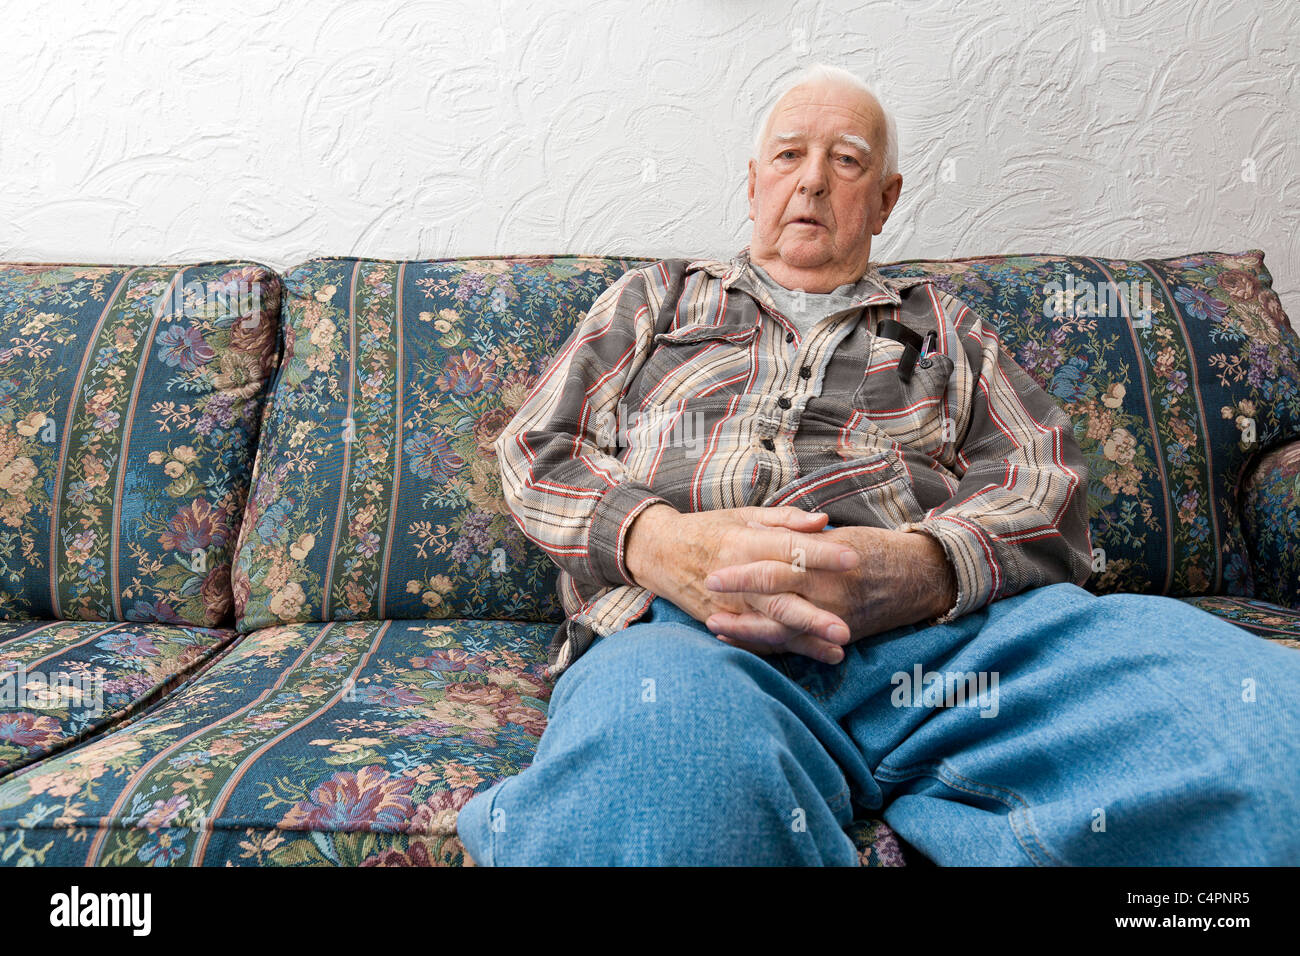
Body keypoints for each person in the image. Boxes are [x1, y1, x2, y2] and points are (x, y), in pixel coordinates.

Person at [457, 64, 1300, 865]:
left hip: (954, 644)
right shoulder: (657, 298)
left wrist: (920, 567)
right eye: (789, 156)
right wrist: (659, 542)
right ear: (753, 183)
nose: (814, 181)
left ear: (886, 200)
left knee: (1267, 734)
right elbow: (536, 446)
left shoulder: (946, 325)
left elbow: (1043, 480)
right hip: (692, 638)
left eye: (847, 160)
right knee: (665, 787)